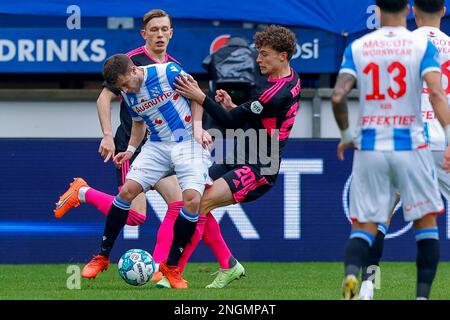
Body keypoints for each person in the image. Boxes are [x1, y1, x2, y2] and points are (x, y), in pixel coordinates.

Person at [56, 54, 212, 289]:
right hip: (157, 145)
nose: (125, 89)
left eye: (125, 83)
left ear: (133, 70)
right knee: (127, 192)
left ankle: (171, 267)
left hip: (187, 141)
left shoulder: (167, 72)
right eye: (121, 88)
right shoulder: (128, 93)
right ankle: (102, 256)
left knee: (190, 201)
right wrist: (130, 150)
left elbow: (198, 97)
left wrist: (199, 128)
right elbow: (139, 124)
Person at [332, 0, 450, 300]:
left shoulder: (362, 46)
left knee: (374, 221)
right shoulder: (423, 48)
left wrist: (346, 134)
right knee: (427, 223)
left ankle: (367, 285)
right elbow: (437, 92)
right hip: (421, 143)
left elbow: (338, 96)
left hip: (376, 144)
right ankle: (422, 295)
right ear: (443, 10)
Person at [171, 25, 301, 288]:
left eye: (264, 54)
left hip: (260, 166)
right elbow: (247, 118)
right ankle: (226, 265)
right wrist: (233, 106)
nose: (258, 59)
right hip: (242, 152)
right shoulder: (286, 79)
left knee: (202, 202)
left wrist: (200, 96)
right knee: (194, 197)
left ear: (283, 56)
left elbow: (229, 120)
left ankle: (173, 272)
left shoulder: (276, 93)